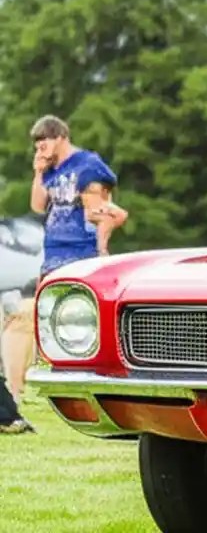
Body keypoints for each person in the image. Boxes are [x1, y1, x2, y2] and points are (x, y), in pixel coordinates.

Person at [4, 115, 128, 399]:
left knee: (69, 320)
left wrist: (102, 246)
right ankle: (16, 391)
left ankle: (28, 392)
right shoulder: (51, 169)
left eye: (43, 144)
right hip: (53, 256)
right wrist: (38, 172)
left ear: (60, 137)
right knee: (34, 319)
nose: (40, 150)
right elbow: (37, 206)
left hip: (81, 255)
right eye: (36, 147)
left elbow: (104, 210)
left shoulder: (87, 165)